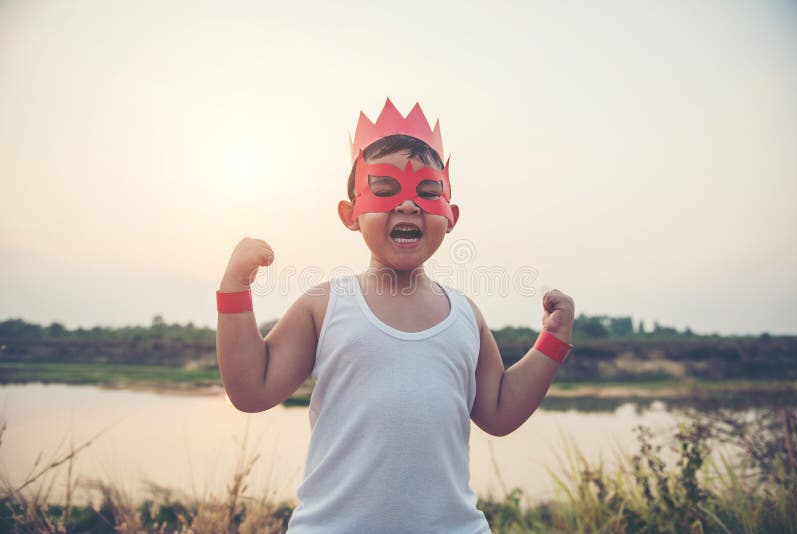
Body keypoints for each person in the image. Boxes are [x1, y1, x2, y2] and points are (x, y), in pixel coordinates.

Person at [215, 99, 576, 533]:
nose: (408, 206)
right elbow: (251, 390)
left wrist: (550, 344)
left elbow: (499, 410)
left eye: (427, 192)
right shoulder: (325, 304)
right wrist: (234, 290)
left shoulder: (465, 314)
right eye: (384, 190)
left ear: (451, 216)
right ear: (350, 215)